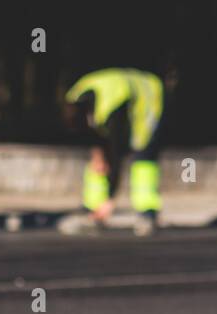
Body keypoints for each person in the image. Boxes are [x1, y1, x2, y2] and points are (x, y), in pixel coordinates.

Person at [65, 68, 166, 236]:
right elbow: (94, 136)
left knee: (143, 159)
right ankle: (91, 209)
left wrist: (110, 198)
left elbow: (116, 152)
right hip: (122, 96)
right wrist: (98, 155)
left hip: (150, 99)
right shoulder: (76, 95)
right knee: (99, 163)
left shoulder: (111, 105)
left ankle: (147, 212)